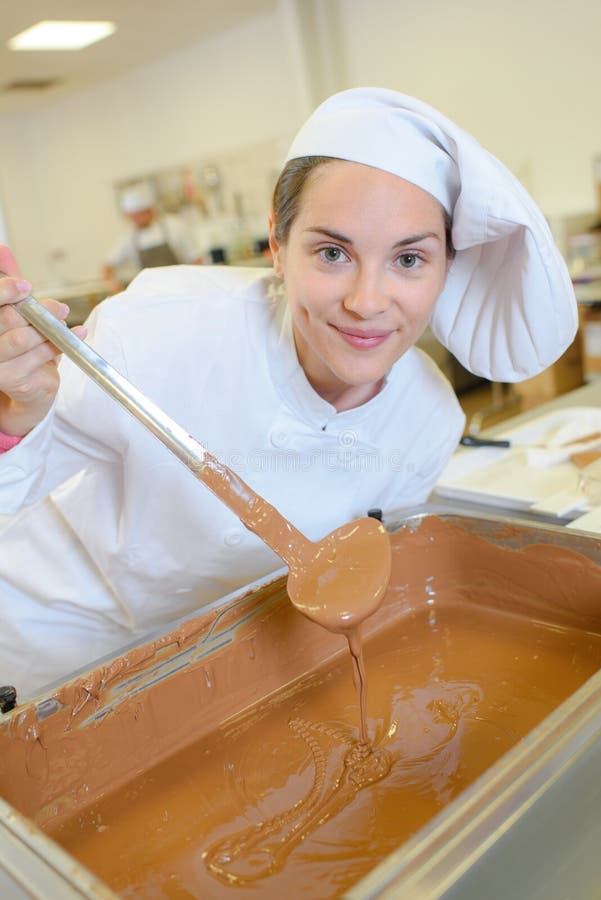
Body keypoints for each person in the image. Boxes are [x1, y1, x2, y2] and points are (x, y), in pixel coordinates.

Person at [0, 88, 577, 699]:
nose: (367, 301)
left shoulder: (427, 419)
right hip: (50, 638)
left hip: (217, 661)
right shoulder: (160, 329)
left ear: (446, 270)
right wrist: (18, 415)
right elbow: (17, 489)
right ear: (277, 245)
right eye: (333, 253)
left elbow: (356, 579)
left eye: (409, 259)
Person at [102, 181, 201, 293]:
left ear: (150, 211)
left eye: (138, 215)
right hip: (151, 294)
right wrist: (113, 286)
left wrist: (198, 285)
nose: (135, 220)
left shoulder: (174, 226)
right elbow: (107, 266)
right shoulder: (128, 238)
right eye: (132, 217)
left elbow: (196, 259)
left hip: (182, 288)